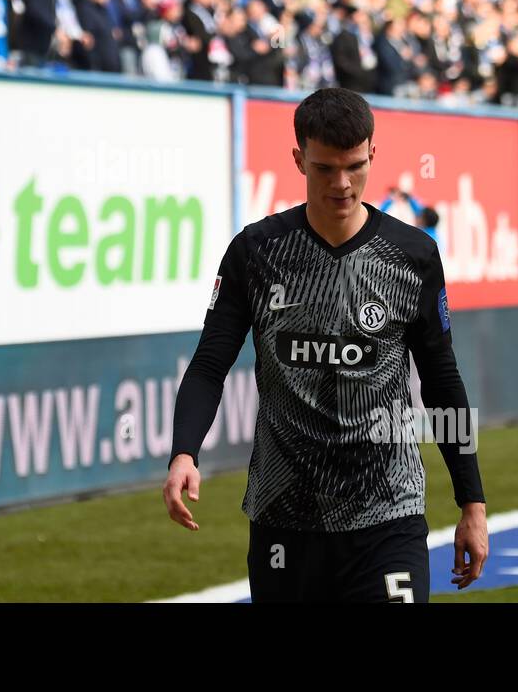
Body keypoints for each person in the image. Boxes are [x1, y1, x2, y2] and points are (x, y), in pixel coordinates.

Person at [163, 88, 488, 602]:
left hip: (388, 514)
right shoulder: (256, 252)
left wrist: (472, 502)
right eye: (324, 169)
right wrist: (184, 451)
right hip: (284, 521)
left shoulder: (413, 256)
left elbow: (442, 379)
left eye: (356, 166)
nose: (342, 184)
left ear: (373, 155)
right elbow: (209, 365)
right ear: (299, 160)